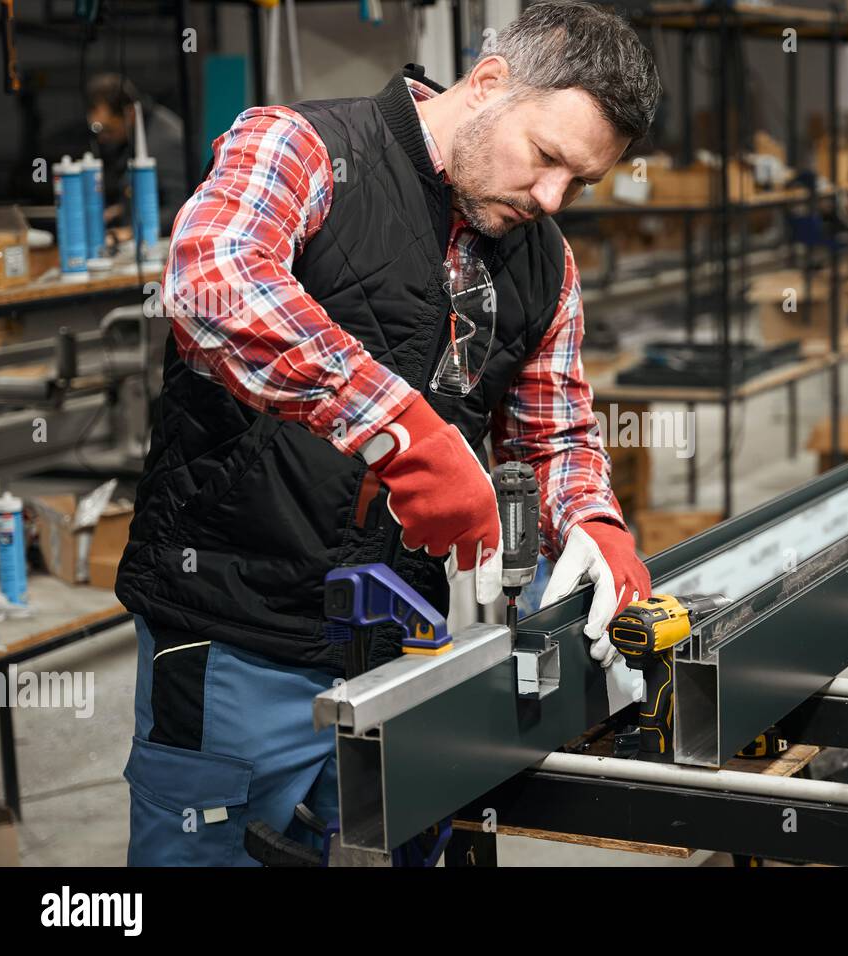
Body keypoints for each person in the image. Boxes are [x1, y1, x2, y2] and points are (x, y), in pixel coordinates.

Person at [115, 0, 661, 865]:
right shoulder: (303, 147)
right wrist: (399, 428)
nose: (554, 198)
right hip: (235, 633)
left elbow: (555, 433)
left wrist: (591, 517)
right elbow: (210, 281)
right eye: (548, 158)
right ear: (487, 83)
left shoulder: (547, 262)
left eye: (581, 183)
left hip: (403, 650)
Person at [86, 73, 187, 235]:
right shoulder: (138, 136)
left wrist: (131, 232)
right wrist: (121, 209)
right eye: (97, 130)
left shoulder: (165, 142)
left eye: (108, 129)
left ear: (130, 114)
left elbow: (181, 207)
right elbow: (153, 195)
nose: (102, 138)